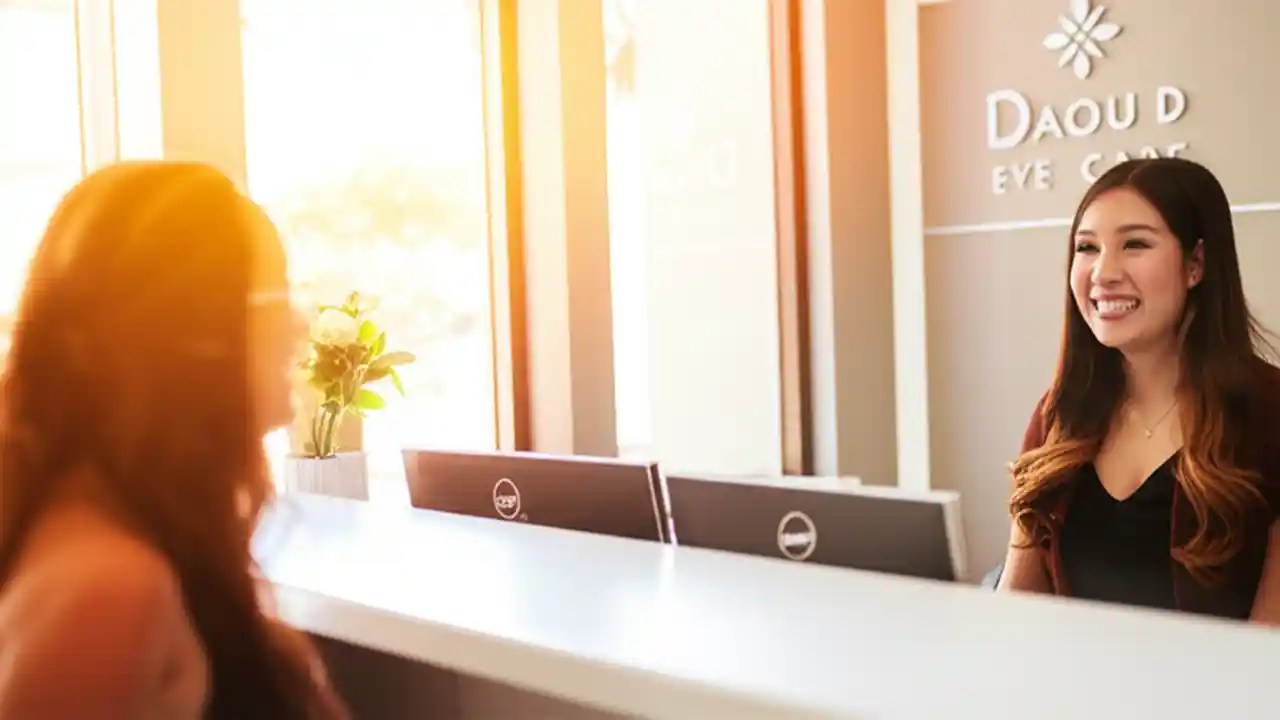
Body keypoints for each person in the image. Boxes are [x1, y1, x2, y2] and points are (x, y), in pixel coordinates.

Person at [0, 162, 348, 717]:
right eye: (275, 296)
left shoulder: (121, 539)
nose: (299, 325)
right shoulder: (109, 593)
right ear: (191, 334)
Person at [997, 158, 1280, 623]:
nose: (1103, 272)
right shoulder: (1059, 412)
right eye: (1086, 248)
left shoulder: (1268, 413)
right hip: (1067, 694)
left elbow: (1270, 647)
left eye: (1134, 244)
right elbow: (1018, 606)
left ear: (1196, 264)